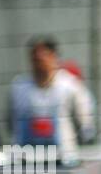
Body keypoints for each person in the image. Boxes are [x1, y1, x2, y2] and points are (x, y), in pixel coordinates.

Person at [9, 37, 96, 165]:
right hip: (26, 160)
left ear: (54, 57)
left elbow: (85, 124)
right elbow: (11, 122)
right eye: (34, 59)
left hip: (63, 159)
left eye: (42, 58)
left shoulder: (71, 86)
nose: (38, 63)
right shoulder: (19, 88)